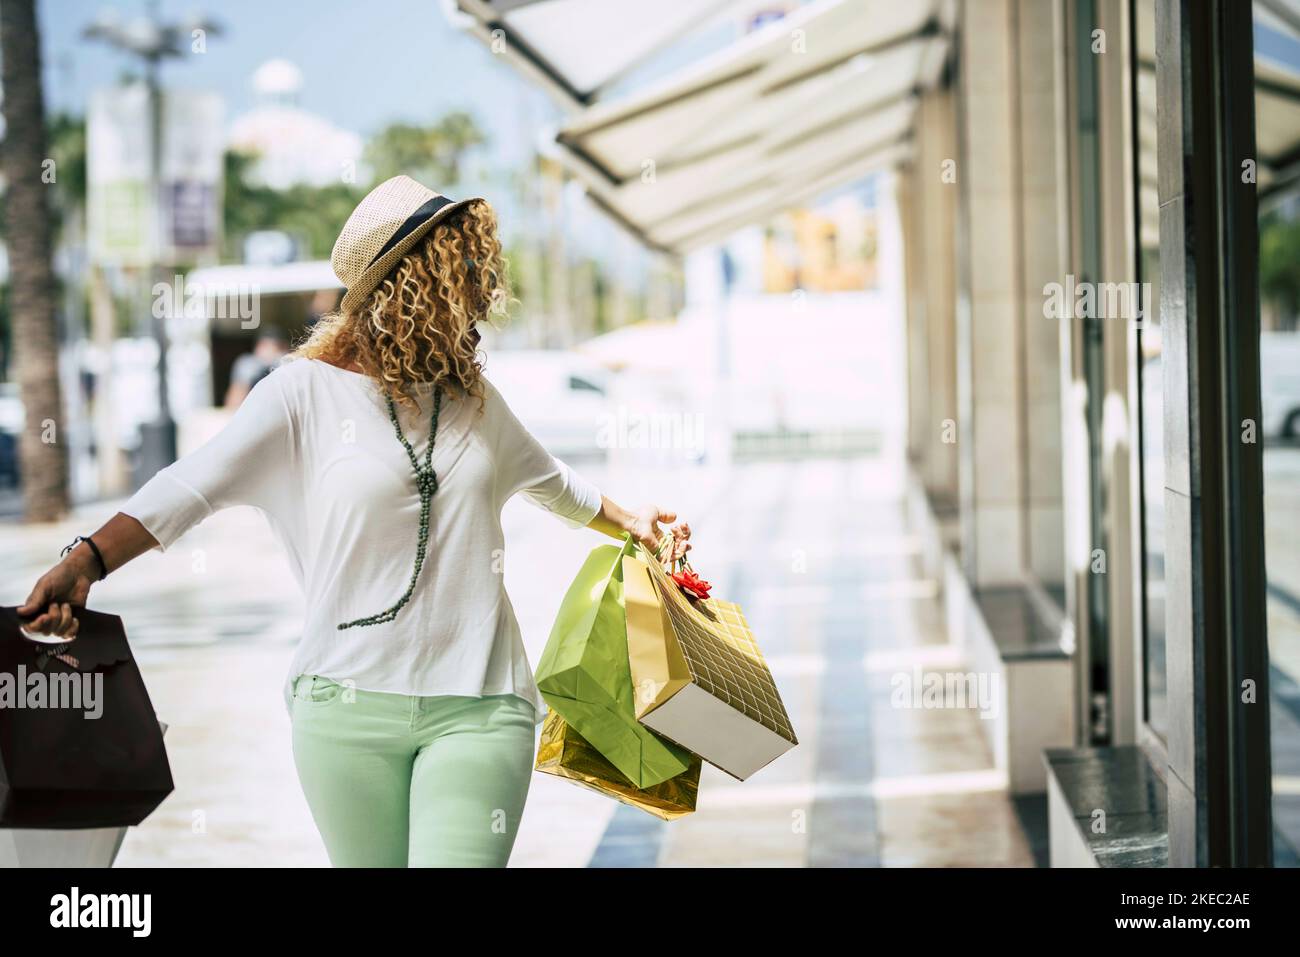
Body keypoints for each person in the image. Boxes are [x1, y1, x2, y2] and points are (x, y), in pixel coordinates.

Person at [19, 175, 690, 868]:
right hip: (344, 707)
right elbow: (188, 487)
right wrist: (86, 560)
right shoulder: (298, 396)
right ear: (411, 286)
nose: (483, 293)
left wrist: (635, 522)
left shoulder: (474, 401)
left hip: (482, 706)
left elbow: (555, 484)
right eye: (464, 272)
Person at [223, 328, 290, 409]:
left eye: (277, 347)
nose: (269, 351)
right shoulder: (248, 363)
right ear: (258, 347)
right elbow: (233, 404)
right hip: (250, 411)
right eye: (264, 346)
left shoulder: (286, 364)